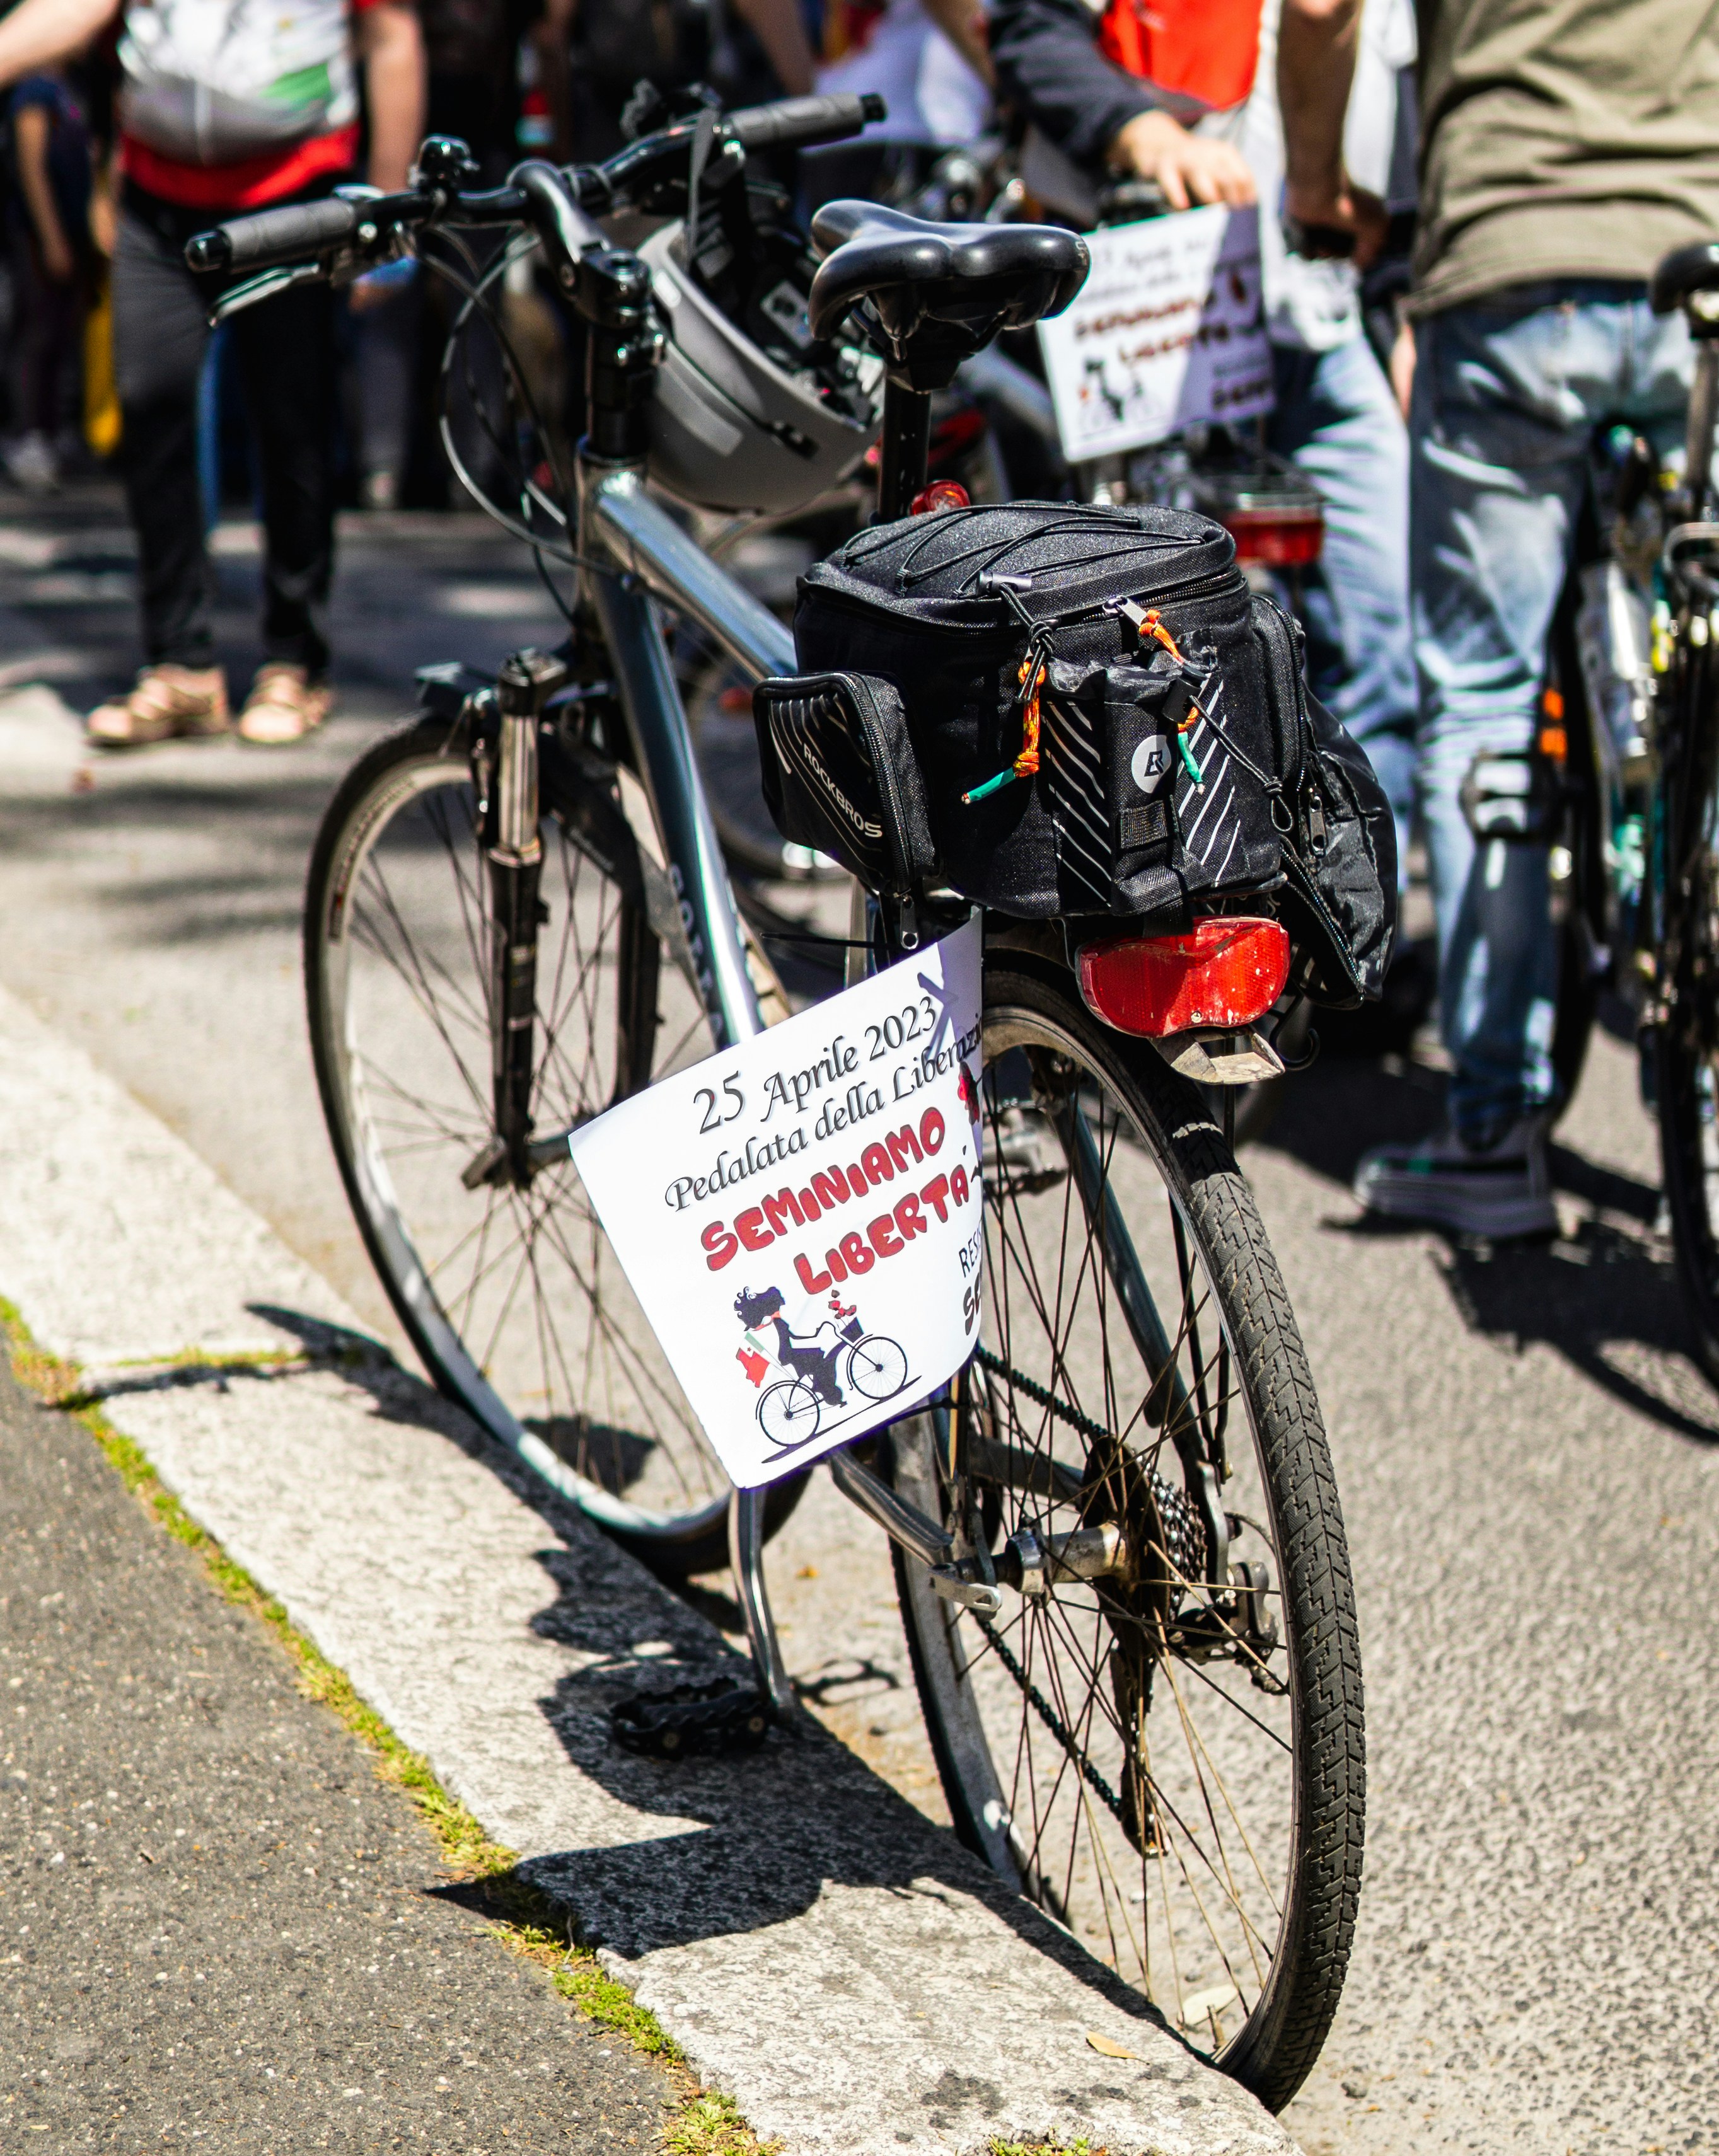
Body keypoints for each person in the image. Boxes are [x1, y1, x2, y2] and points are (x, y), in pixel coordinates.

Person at [1280, 0, 1719, 1238]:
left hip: (1511, 266)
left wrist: (1319, 183)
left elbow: (1315, 10)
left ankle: (1489, 1134)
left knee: (1480, 695)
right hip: (1699, 260)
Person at [987, 0, 1420, 876]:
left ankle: (1358, 933)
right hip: (1154, 309)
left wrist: (1399, 290)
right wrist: (1145, 135)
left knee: (1384, 645)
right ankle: (1176, 909)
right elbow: (1030, 33)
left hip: (1316, 320)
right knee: (1155, 658)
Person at [0, 0, 425, 748]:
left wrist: (388, 208)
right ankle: (181, 666)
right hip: (158, 199)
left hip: (296, 189)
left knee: (292, 424)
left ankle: (295, 661)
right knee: (150, 411)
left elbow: (392, 37)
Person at [5, 57, 94, 492]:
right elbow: (31, 165)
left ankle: (58, 429)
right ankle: (28, 436)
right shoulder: (34, 88)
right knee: (37, 333)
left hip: (74, 228)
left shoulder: (74, 81)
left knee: (64, 333)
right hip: (37, 230)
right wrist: (51, 234)